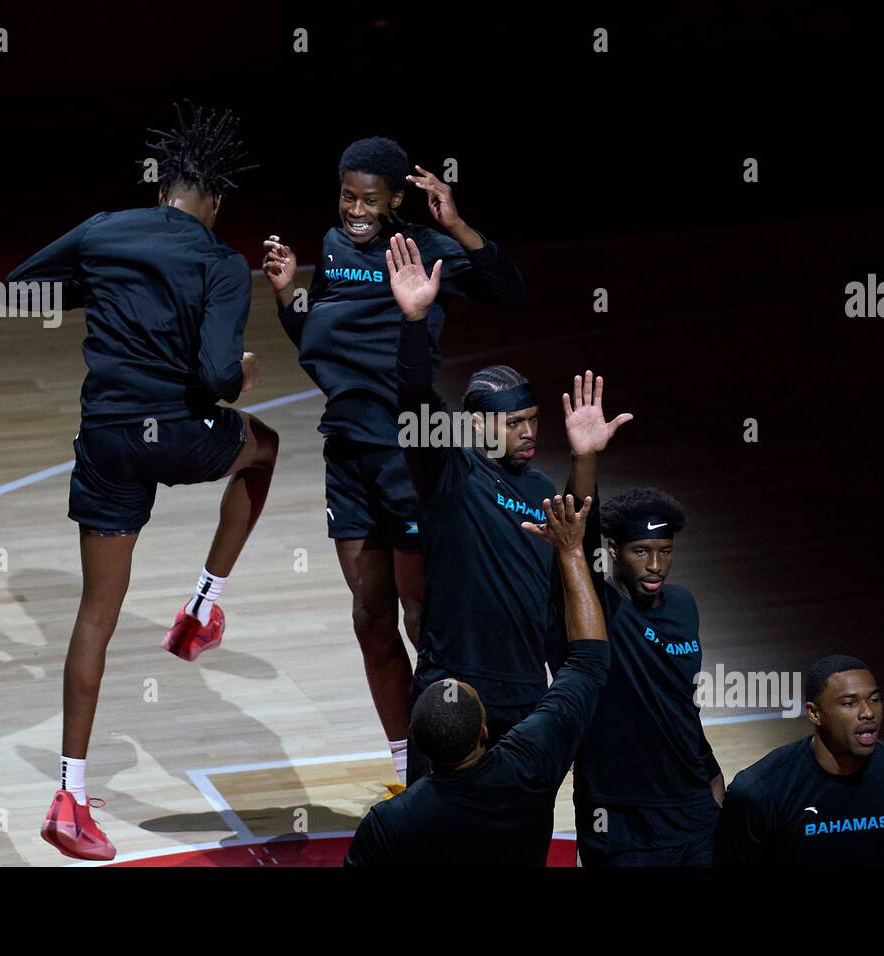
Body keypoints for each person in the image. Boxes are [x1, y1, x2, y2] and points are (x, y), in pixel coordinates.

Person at [7, 102, 279, 860]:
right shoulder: (222, 263)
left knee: (95, 614)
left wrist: (103, 286)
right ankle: (201, 607)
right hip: (181, 437)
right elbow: (219, 377)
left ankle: (69, 799)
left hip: (107, 443)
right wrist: (245, 373)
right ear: (215, 199)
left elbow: (20, 287)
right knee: (265, 448)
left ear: (160, 189)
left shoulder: (104, 230)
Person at [262, 137, 526, 788]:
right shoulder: (331, 245)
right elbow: (323, 338)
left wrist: (457, 224)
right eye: (347, 196)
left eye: (370, 199)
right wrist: (288, 296)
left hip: (409, 452)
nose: (356, 210)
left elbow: (508, 289)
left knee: (422, 617)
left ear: (397, 198)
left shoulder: (425, 248)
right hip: (347, 452)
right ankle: (411, 768)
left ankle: (460, 759)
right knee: (371, 618)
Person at [387, 233, 630, 783]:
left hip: (523, 694)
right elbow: (414, 398)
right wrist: (415, 321)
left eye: (533, 420)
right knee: (436, 819)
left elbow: (578, 533)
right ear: (477, 425)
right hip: (451, 689)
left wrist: (585, 457)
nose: (528, 432)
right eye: (513, 422)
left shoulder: (540, 486)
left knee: (517, 823)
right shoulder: (451, 475)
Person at [343, 494, 609, 866]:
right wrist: (571, 551)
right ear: (485, 729)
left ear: (415, 738)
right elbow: (587, 662)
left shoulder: (389, 822)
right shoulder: (530, 763)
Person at [562, 483, 725, 866]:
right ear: (613, 551)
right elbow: (581, 543)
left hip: (689, 802)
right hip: (620, 816)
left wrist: (710, 768)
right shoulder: (600, 608)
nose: (655, 565)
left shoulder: (683, 605)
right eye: (641, 551)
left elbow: (680, 699)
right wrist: (584, 458)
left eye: (665, 551)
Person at [713, 655, 884, 866]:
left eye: (874, 700)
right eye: (849, 703)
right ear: (814, 713)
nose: (868, 712)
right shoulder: (758, 792)